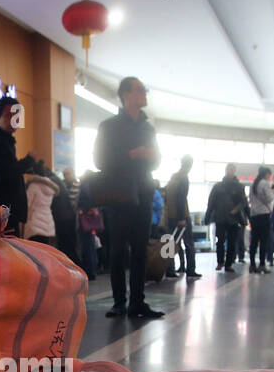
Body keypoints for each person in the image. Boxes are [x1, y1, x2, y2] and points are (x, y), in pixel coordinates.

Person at [93, 76, 164, 319]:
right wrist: (132, 154)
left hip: (144, 192)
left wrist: (152, 155)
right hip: (119, 194)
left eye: (144, 89)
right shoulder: (109, 126)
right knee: (118, 249)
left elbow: (157, 161)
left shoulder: (148, 127)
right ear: (125, 95)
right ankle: (118, 302)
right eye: (139, 90)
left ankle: (137, 302)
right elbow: (99, 161)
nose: (144, 93)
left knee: (140, 250)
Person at [0, 96, 36, 233]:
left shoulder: (3, 141)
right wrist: (28, 161)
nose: (14, 119)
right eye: (9, 115)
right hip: (0, 217)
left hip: (3, 215)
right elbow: (5, 174)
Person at [206, 163, 246, 273]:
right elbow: (211, 202)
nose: (230, 171)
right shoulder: (218, 186)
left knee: (232, 242)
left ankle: (228, 264)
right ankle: (220, 262)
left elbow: (243, 202)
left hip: (233, 219)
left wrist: (236, 210)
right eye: (229, 169)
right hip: (220, 217)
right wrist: (208, 216)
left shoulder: (239, 186)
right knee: (220, 241)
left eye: (232, 169)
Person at [165, 156, 197, 277]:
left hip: (171, 215)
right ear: (190, 164)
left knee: (171, 243)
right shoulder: (184, 177)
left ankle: (169, 269)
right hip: (181, 215)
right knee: (189, 243)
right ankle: (190, 269)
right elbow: (181, 198)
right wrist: (182, 218)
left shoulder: (174, 177)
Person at [22, 161, 59, 245]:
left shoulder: (33, 186)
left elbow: (27, 204)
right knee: (43, 251)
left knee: (33, 252)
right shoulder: (50, 187)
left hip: (35, 223)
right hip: (48, 222)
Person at [248, 166, 274, 273]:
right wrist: (273, 192)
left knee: (254, 240)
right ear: (267, 174)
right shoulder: (265, 183)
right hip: (264, 215)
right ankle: (262, 264)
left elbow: (250, 199)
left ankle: (252, 264)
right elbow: (269, 198)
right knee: (264, 240)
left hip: (254, 215)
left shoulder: (253, 184)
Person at [52, 167, 80, 267]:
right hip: (64, 219)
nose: (66, 176)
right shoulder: (62, 185)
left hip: (71, 219)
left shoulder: (77, 185)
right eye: (64, 175)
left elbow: (74, 204)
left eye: (67, 174)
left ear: (73, 173)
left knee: (71, 244)